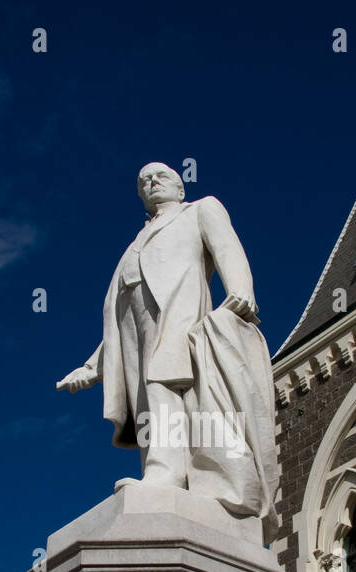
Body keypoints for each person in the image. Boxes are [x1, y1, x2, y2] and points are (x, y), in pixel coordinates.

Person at [57, 162, 280, 541]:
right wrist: (92, 367)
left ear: (180, 187)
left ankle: (167, 471)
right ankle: (160, 470)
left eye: (159, 177)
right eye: (143, 181)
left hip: (179, 308)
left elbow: (228, 248)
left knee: (164, 379)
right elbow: (115, 317)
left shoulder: (200, 209)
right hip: (133, 324)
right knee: (147, 394)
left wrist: (241, 290)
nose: (150, 183)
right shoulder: (136, 241)